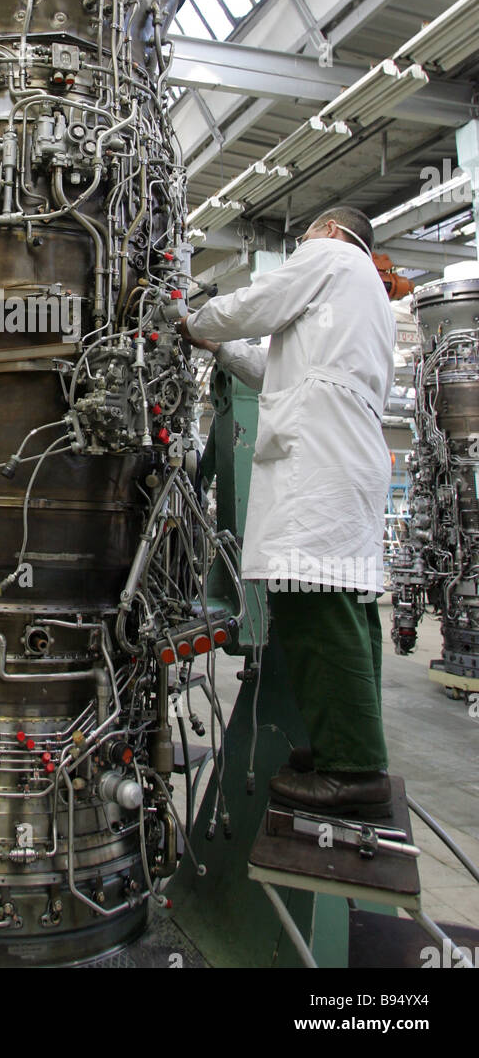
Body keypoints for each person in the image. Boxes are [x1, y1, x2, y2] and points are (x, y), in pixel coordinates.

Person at [181, 207, 396, 818]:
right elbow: (276, 374)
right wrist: (221, 348)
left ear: (330, 229)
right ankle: (345, 747)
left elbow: (261, 300)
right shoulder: (360, 296)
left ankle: (355, 772)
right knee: (347, 607)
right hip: (345, 453)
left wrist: (192, 320)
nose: (301, 243)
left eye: (305, 235)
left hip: (320, 461)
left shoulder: (331, 258)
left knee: (316, 604)